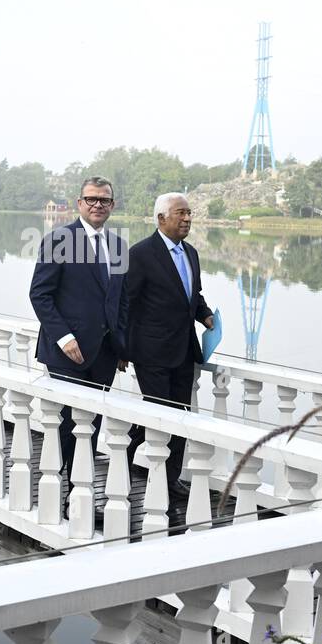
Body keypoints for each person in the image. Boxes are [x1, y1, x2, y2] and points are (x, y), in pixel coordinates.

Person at [28, 177, 129, 516]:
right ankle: (63, 494)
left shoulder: (118, 245)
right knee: (70, 426)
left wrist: (121, 346)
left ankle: (79, 496)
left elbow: (121, 300)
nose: (98, 205)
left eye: (104, 200)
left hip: (103, 354)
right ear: (79, 203)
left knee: (92, 426)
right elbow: (39, 294)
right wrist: (64, 337)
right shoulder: (59, 239)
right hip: (65, 352)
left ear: (112, 205)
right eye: (91, 199)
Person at [124, 192, 214, 500]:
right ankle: (142, 467)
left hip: (184, 351)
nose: (188, 218)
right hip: (151, 353)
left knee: (182, 416)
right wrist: (122, 349)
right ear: (162, 218)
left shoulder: (191, 253)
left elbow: (193, 295)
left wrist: (205, 315)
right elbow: (127, 304)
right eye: (181, 213)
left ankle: (170, 478)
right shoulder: (140, 254)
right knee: (160, 416)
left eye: (189, 213)